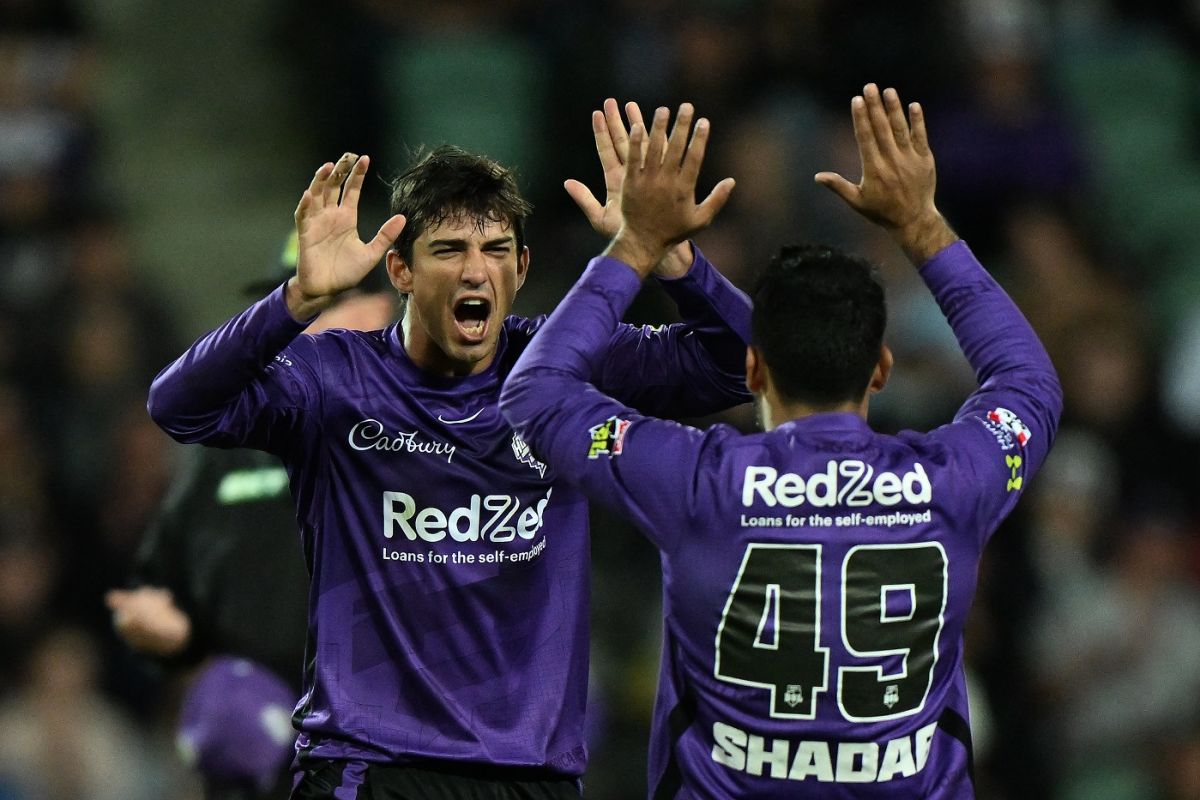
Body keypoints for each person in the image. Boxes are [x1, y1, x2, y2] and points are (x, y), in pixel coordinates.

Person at [146, 101, 752, 798]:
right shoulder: (334, 378)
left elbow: (739, 363)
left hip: (531, 775)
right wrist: (296, 301)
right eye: (449, 250)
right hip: (370, 767)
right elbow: (178, 405)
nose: (475, 272)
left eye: (495, 251)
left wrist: (675, 260)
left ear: (522, 267)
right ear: (400, 272)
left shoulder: (563, 365)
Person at [500, 85, 1062, 798]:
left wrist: (641, 247)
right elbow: (1028, 382)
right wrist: (921, 226)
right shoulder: (954, 480)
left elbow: (535, 393)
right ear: (881, 367)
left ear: (755, 368)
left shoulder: (700, 482)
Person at [106, 239, 398, 800]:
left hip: (386, 744)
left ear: (380, 308)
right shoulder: (231, 449)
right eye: (292, 303)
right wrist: (172, 641)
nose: (296, 324)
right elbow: (155, 587)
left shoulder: (432, 437)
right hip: (256, 742)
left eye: (323, 301)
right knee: (224, 705)